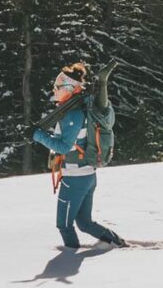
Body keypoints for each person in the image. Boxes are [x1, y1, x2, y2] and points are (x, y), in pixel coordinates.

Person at [33, 62, 126, 250]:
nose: (54, 90)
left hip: (75, 179)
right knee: (84, 223)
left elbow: (64, 147)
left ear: (68, 88)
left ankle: (69, 257)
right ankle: (116, 242)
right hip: (86, 176)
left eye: (57, 87)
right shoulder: (80, 108)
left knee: (64, 225)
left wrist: (37, 135)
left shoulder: (73, 114)